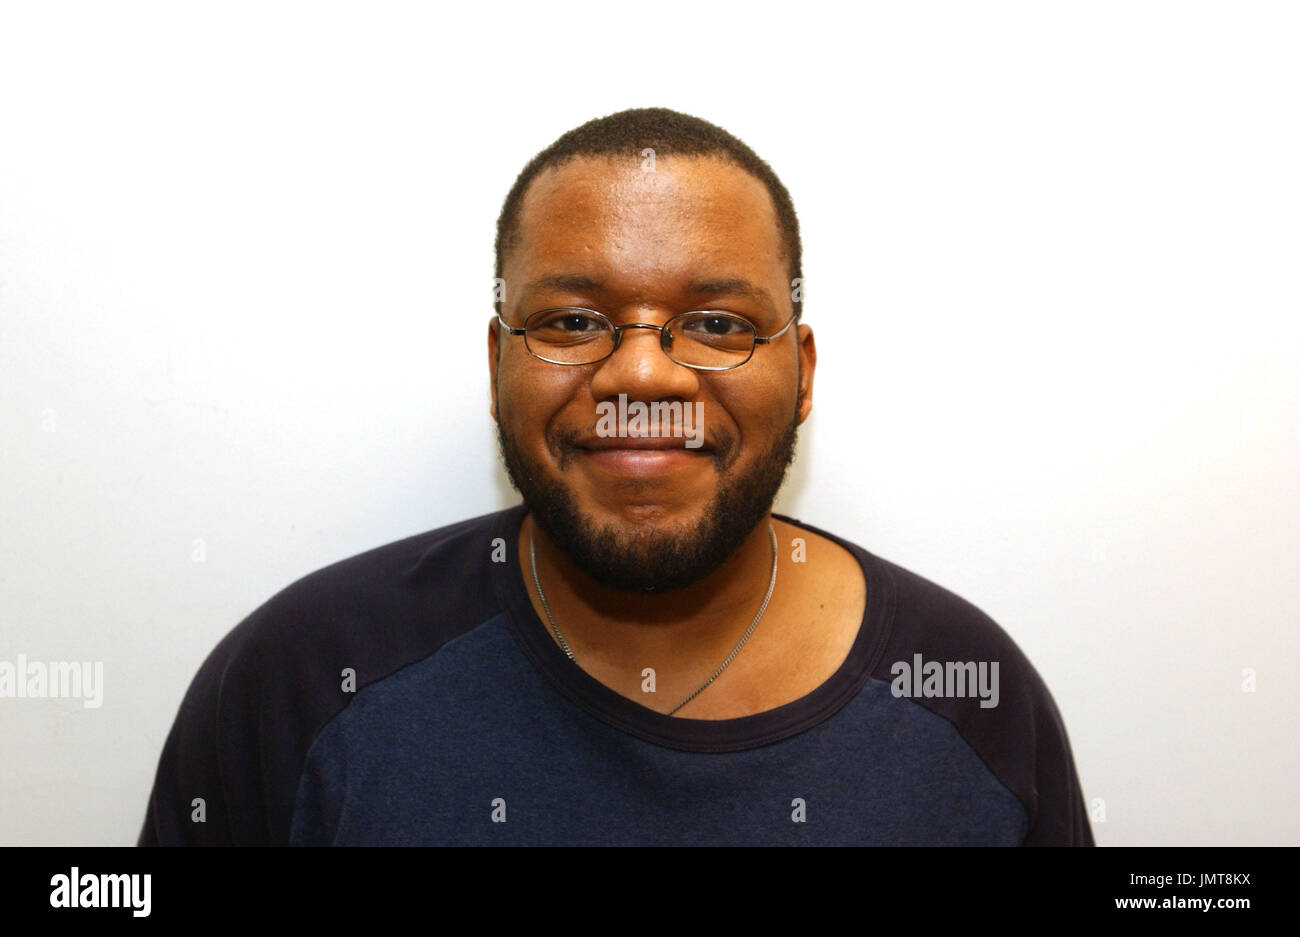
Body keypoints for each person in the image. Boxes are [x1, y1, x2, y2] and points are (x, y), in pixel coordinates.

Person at [138, 107, 1093, 846]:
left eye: (719, 324)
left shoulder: (969, 699)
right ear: (496, 364)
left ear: (802, 370)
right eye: (572, 321)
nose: (641, 374)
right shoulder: (298, 680)